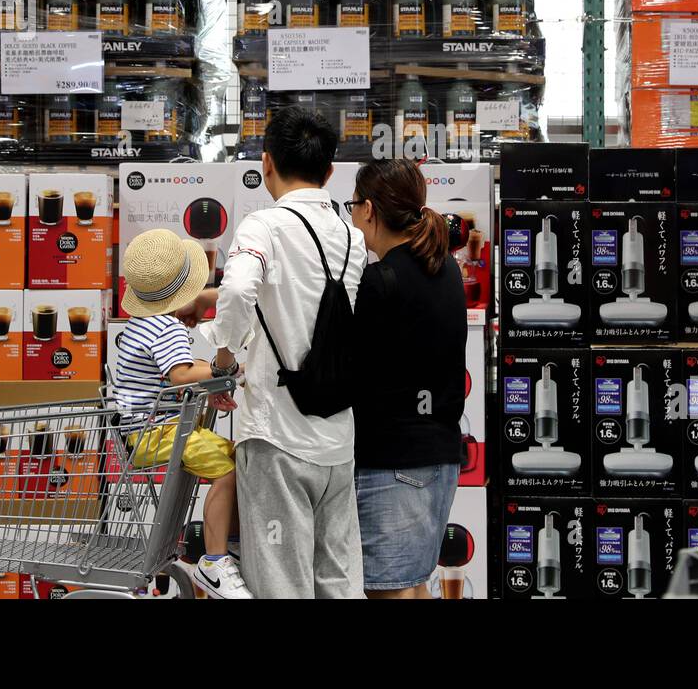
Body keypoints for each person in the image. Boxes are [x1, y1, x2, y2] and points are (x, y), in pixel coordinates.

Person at [179, 107, 368, 599]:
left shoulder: (264, 225)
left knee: (282, 582)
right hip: (338, 437)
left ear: (266, 163)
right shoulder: (352, 235)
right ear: (329, 172)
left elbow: (239, 290)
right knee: (338, 579)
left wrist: (223, 361)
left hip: (277, 434)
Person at [345, 159, 466, 599]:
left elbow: (352, 368)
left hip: (393, 459)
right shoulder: (446, 268)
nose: (352, 215)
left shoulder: (381, 280)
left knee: (388, 591)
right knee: (413, 586)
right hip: (440, 455)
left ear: (369, 210)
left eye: (353, 206)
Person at [113, 227, 252, 599]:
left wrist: (210, 385)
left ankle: (229, 546)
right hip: (156, 432)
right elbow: (181, 374)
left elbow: (179, 373)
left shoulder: (143, 324)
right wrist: (226, 370)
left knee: (233, 457)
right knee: (231, 466)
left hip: (141, 432)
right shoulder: (167, 326)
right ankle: (216, 560)